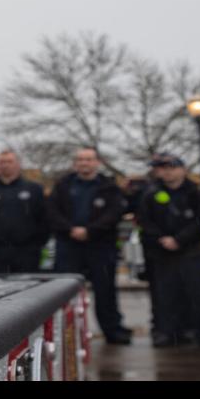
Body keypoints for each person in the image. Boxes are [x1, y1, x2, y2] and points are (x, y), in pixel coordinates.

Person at [48, 147, 130, 344]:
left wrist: (90, 231)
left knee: (106, 292)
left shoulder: (109, 187)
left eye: (89, 159)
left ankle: (113, 330)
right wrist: (70, 229)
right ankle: (66, 334)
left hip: (100, 247)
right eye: (80, 159)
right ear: (75, 163)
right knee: (65, 293)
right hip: (69, 246)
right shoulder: (62, 186)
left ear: (97, 162)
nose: (84, 163)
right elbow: (51, 211)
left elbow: (114, 213)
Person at [136, 154, 200, 348]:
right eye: (162, 168)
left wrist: (179, 239)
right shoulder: (150, 194)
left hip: (193, 251)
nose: (167, 171)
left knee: (198, 295)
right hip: (162, 253)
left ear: (183, 169)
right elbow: (145, 221)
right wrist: (161, 239)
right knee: (165, 296)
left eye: (171, 167)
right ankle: (166, 332)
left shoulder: (196, 192)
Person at [0, 150, 49, 274]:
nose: (5, 165)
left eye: (9, 161)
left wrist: (38, 243)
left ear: (18, 164)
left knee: (27, 289)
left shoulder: (35, 189)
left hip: (27, 250)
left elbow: (44, 218)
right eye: (1, 162)